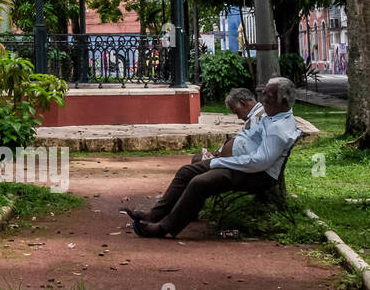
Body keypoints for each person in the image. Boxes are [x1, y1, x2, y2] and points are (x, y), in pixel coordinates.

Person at [122, 77, 303, 239]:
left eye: (269, 96)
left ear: (284, 100)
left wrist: (221, 161)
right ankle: (155, 214)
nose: (264, 100)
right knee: (186, 171)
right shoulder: (270, 116)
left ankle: (163, 228)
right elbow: (247, 140)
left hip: (257, 174)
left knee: (199, 182)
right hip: (239, 163)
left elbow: (259, 162)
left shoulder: (279, 128)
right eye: (264, 95)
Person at [190, 87, 262, 163]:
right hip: (235, 158)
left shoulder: (260, 117)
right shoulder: (253, 117)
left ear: (243, 104)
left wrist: (221, 156)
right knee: (197, 158)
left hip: (242, 161)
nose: (238, 117)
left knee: (196, 162)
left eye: (237, 112)